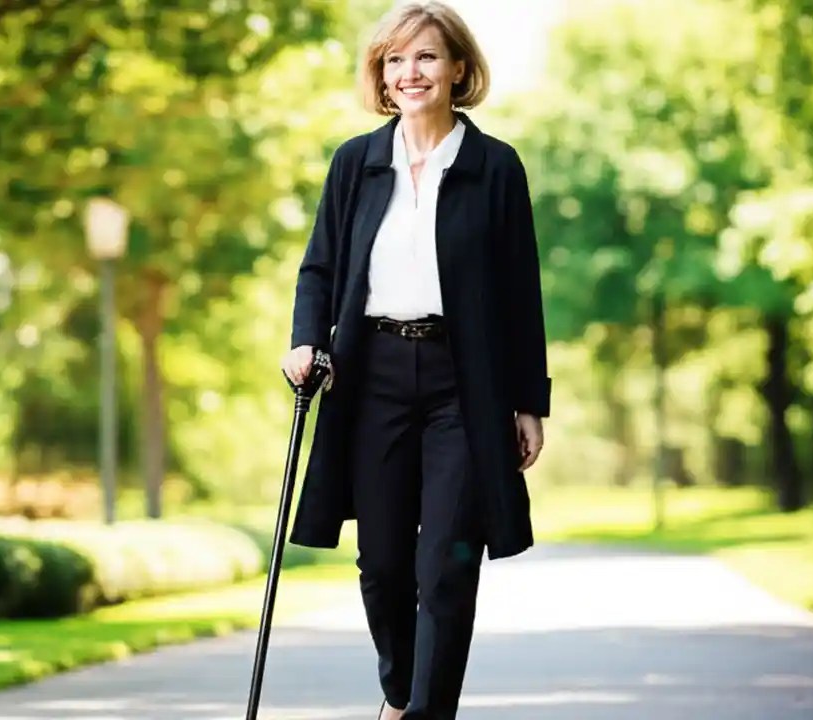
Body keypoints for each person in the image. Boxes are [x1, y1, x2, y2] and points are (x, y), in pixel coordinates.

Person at [279, 2, 550, 718]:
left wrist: (530, 401)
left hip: (466, 384)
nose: (410, 72)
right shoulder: (357, 163)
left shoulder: (494, 167)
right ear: (381, 75)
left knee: (447, 564)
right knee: (384, 566)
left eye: (426, 56)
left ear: (459, 68)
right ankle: (400, 696)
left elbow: (520, 291)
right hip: (373, 377)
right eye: (395, 60)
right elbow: (319, 267)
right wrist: (306, 339)